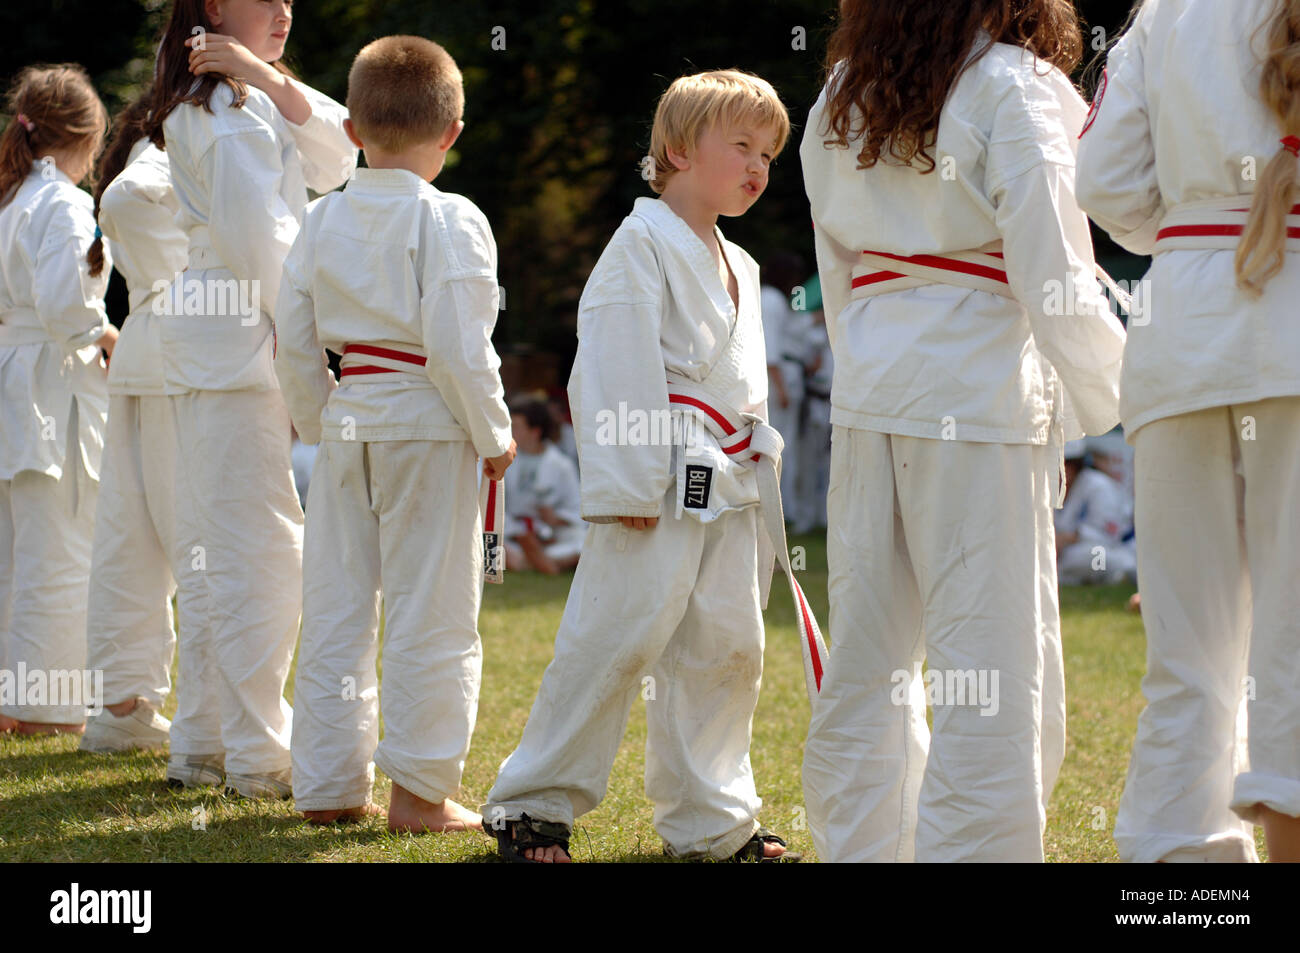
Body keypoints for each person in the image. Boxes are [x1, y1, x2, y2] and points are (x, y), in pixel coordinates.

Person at [800, 0, 1126, 861]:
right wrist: (1123, 395)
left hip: (872, 387)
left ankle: (864, 848)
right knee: (992, 652)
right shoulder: (1018, 86)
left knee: (870, 653)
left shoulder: (842, 89)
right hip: (979, 392)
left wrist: (865, 364)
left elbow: (838, 266)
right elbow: (1056, 269)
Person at [483, 69, 801, 863]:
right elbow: (612, 368)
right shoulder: (639, 244)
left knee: (727, 650)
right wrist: (625, 485)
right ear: (679, 149)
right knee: (614, 638)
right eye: (742, 146)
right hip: (655, 478)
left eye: (769, 152)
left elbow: (742, 390)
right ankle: (531, 807)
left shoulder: (746, 265)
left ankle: (714, 822)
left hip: (728, 481)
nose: (759, 166)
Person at [1077, 0, 1300, 862]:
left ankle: (1180, 873)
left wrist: (1189, 233)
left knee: (1188, 648)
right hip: (1285, 323)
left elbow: (1101, 177)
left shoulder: (1164, 12)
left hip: (1180, 326)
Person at [276, 35, 516, 831]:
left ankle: (328, 785)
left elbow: (295, 335)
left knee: (338, 603)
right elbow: (457, 344)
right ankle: (418, 792)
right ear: (451, 132)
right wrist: (494, 432)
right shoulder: (452, 218)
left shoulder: (320, 219)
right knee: (433, 608)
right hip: (428, 419)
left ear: (351, 130)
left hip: (352, 419)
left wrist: (322, 421)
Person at [143, 0, 356, 796]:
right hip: (243, 332)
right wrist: (304, 332)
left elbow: (341, 154)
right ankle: (261, 752)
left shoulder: (246, 94)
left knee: (216, 550)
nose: (283, 10)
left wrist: (264, 73)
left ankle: (206, 740)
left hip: (222, 337)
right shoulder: (224, 109)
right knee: (258, 553)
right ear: (210, 6)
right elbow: (253, 233)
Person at [77, 89, 204, 758]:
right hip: (178, 347)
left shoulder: (147, 156)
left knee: (134, 536)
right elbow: (132, 194)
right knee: (197, 534)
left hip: (148, 345)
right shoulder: (169, 150)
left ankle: (124, 704)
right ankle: (207, 720)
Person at [0, 64, 114, 735]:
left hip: (15, 371)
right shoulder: (64, 203)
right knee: (61, 543)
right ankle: (42, 707)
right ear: (88, 138)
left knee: (17, 547)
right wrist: (103, 333)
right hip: (50, 381)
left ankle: (18, 698)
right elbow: (66, 300)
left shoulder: (11, 198)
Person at [503, 396, 584, 574]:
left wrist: (556, 519)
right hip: (515, 533)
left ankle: (533, 561)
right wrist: (518, 532)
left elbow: (577, 508)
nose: (509, 431)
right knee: (493, 542)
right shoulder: (502, 460)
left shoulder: (561, 465)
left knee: (582, 541)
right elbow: (493, 507)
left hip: (551, 535)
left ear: (535, 431)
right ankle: (542, 562)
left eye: (515, 426)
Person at [1054, 440, 1136, 585]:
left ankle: (1118, 573)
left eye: (1066, 463)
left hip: (1115, 551)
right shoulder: (1050, 489)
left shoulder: (1098, 486)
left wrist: (1068, 538)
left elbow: (1107, 537)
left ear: (1075, 465)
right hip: (1067, 553)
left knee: (1089, 556)